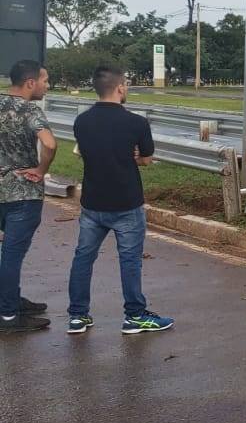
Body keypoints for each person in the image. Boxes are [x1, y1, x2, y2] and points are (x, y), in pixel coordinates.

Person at [66, 65, 173, 334]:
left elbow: (84, 152)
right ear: (120, 87)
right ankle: (134, 315)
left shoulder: (82, 121)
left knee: (83, 257)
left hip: (92, 203)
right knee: (130, 260)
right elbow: (146, 159)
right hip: (126, 203)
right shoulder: (136, 123)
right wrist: (134, 157)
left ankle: (78, 316)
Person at [0, 60, 56, 333]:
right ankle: (8, 316)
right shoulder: (29, 109)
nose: (47, 86)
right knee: (12, 254)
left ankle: (10, 300)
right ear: (30, 82)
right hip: (22, 192)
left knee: (7, 254)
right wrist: (41, 169)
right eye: (45, 81)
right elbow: (49, 143)